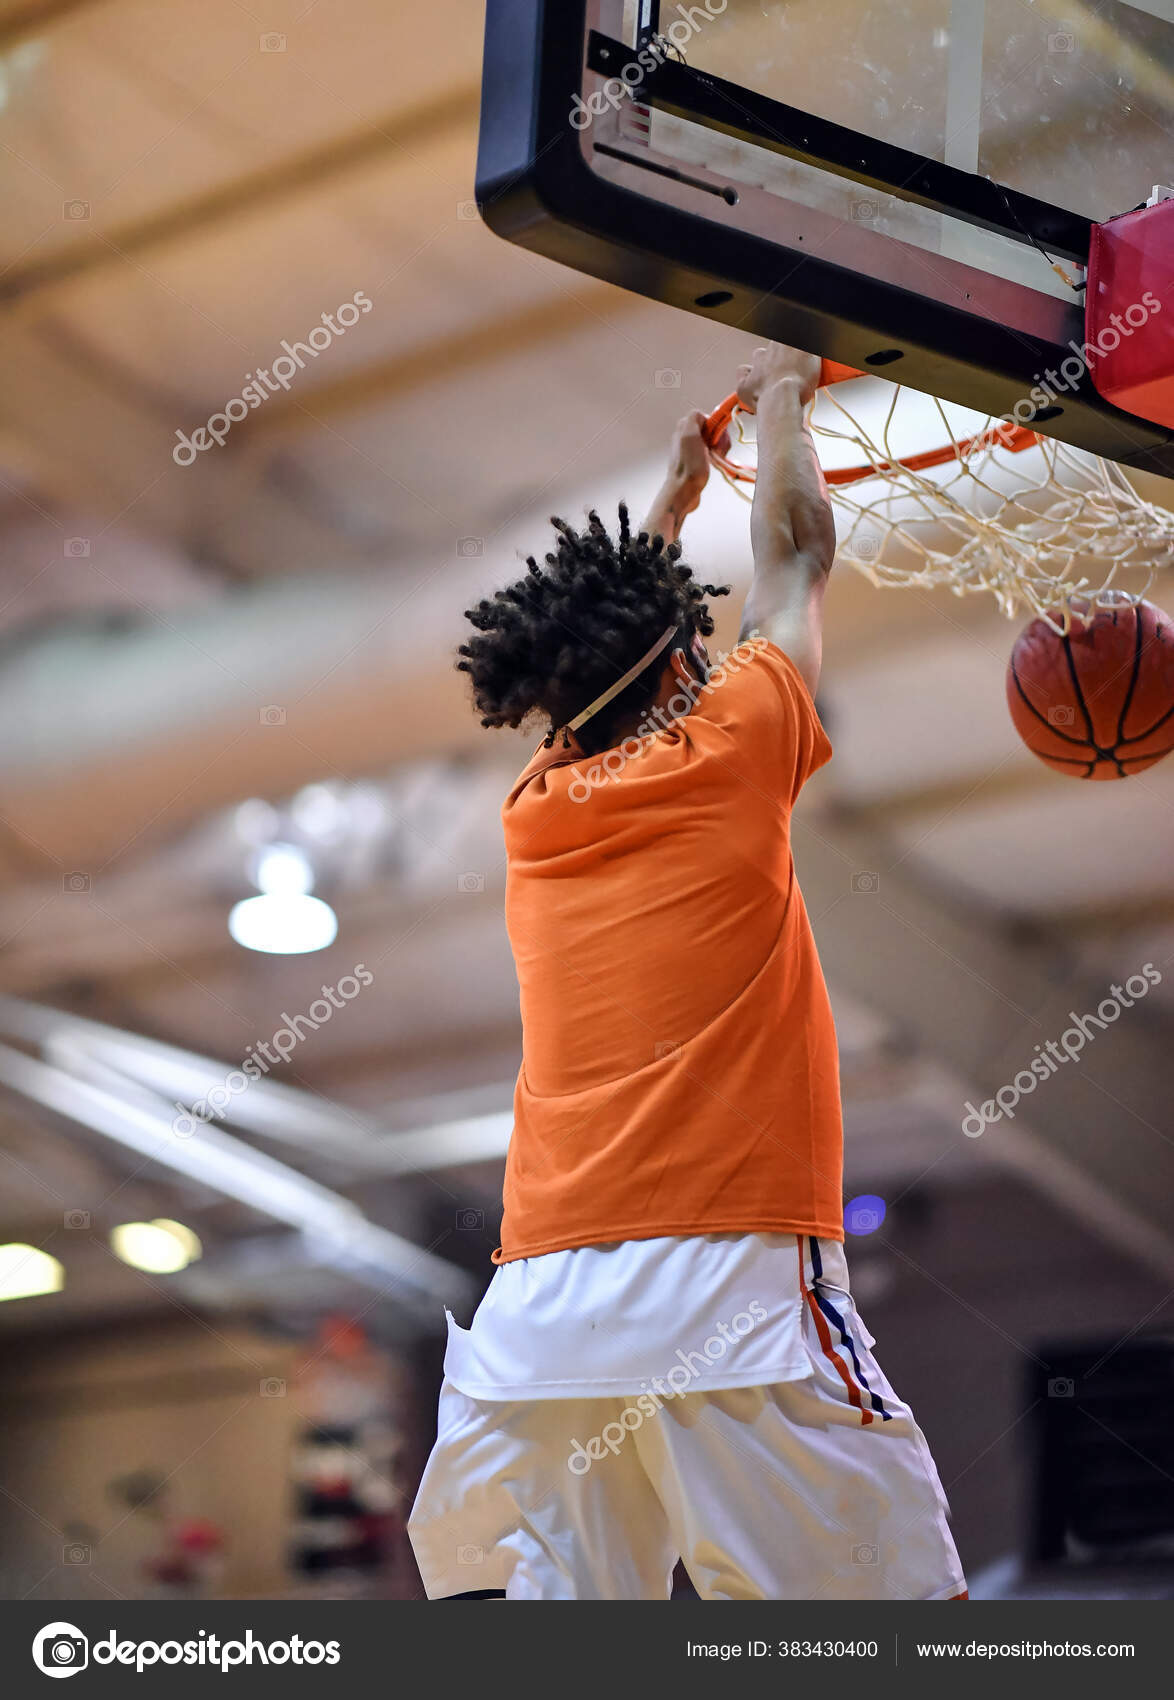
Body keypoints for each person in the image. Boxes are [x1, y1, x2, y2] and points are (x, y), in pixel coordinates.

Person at [408, 343, 966, 1601]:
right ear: (673, 661)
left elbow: (630, 650)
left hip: (540, 1314)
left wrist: (669, 506)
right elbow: (797, 554)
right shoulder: (737, 747)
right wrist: (780, 392)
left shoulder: (535, 809)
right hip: (732, 1289)